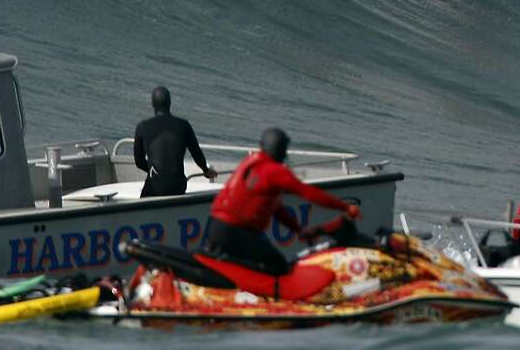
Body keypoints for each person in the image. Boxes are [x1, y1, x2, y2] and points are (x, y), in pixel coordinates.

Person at [203, 127, 359, 275]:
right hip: (237, 231)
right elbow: (308, 193)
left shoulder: (251, 162)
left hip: (217, 226)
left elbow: (277, 209)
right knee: (278, 266)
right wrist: (344, 207)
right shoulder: (274, 171)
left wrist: (298, 229)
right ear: (281, 151)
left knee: (257, 263)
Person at [133, 86, 216, 197]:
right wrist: (205, 170)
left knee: (145, 197)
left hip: (155, 186)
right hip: (178, 185)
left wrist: (157, 171)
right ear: (170, 103)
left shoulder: (142, 127)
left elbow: (139, 162)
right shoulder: (183, 125)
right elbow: (196, 152)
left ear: (153, 104)